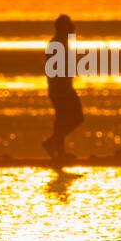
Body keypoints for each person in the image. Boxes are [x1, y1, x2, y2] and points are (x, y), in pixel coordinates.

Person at [42, 14, 84, 166]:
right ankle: (54, 145)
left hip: (61, 88)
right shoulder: (57, 45)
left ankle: (59, 151)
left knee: (62, 120)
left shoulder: (60, 43)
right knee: (76, 117)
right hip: (61, 90)